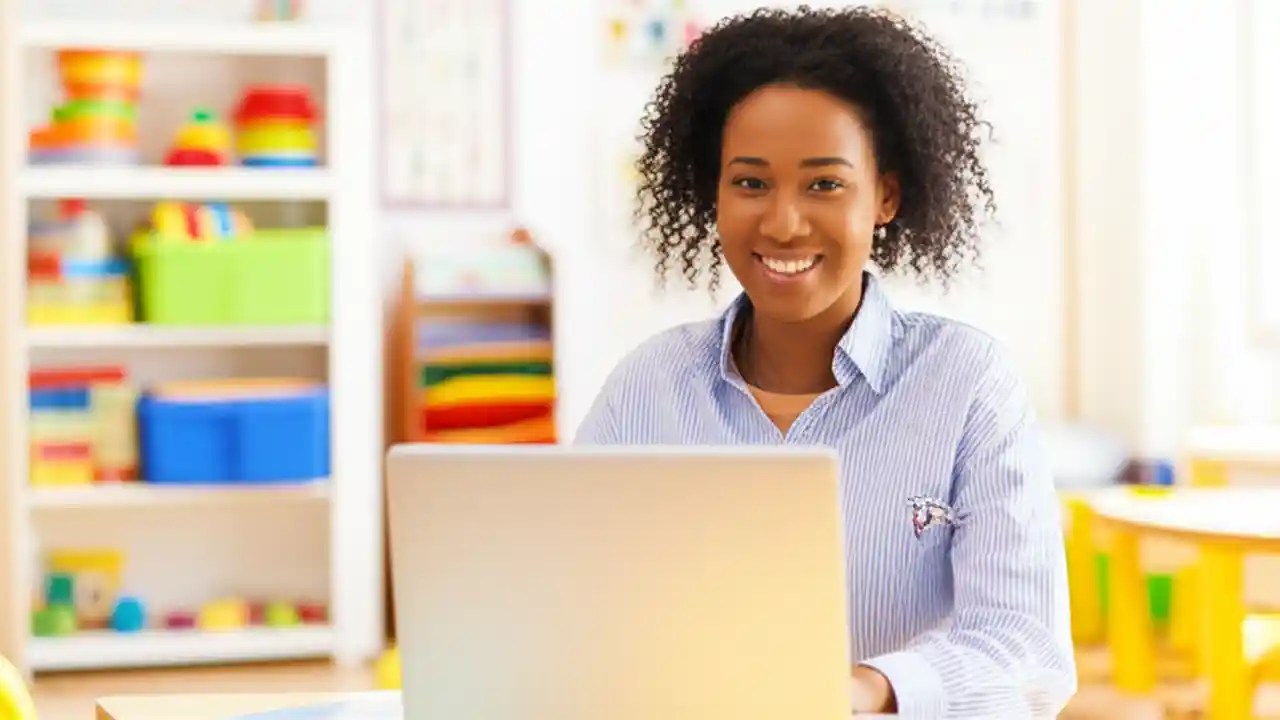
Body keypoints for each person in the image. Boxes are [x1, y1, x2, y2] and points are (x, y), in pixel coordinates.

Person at [576, 6, 1076, 717]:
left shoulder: (968, 385)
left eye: (824, 184)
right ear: (711, 193)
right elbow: (577, 608)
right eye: (750, 183)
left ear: (886, 196)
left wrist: (865, 688)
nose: (783, 222)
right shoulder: (646, 390)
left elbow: (1025, 654)